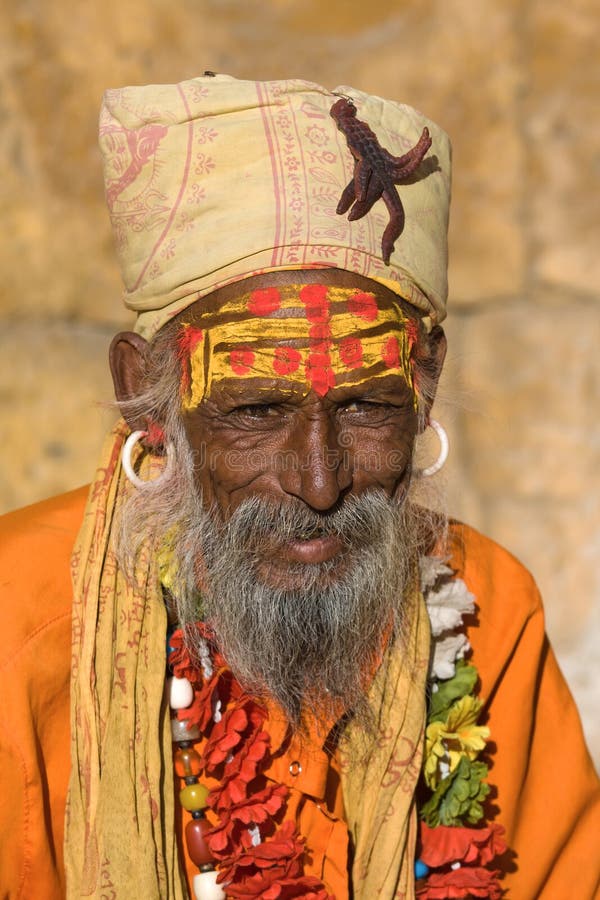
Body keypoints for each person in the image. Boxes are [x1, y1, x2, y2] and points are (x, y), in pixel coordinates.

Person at [0, 73, 598, 900]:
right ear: (150, 396)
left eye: (365, 407)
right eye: (255, 409)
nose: (319, 482)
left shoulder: (486, 606)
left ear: (423, 384)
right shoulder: (18, 619)